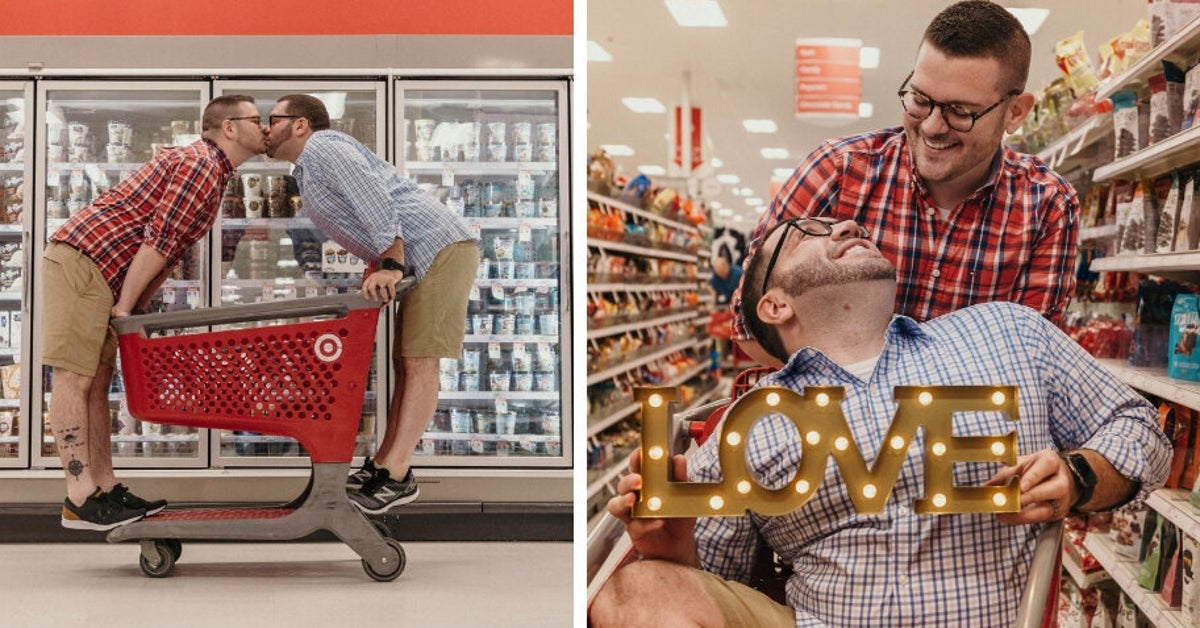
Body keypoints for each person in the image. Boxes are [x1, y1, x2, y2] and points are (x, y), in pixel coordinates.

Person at [591, 217, 1171, 627]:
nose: (848, 227)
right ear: (774, 304)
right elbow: (716, 589)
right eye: (813, 231)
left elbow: (1141, 427)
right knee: (633, 592)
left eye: (851, 226)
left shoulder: (1007, 332)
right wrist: (676, 549)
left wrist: (1080, 475)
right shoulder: (744, 421)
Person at [731, 0, 1080, 368]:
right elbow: (749, 323)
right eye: (920, 99)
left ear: (1016, 112)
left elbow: (1033, 357)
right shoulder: (838, 170)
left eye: (960, 111)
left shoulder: (1047, 205)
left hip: (967, 425)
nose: (931, 126)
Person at [44, 95, 267, 531]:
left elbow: (168, 253)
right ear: (228, 128)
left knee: (98, 382)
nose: (264, 127)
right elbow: (159, 240)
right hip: (84, 260)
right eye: (256, 119)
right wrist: (127, 307)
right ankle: (79, 494)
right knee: (75, 377)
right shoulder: (202, 164)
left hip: (106, 271)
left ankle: (104, 487)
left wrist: (136, 309)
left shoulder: (215, 171)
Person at [264, 94, 479, 514]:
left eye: (273, 119)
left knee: (420, 362)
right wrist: (378, 268)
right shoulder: (307, 168)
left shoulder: (324, 147)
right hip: (422, 256)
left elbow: (374, 201)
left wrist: (390, 262)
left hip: (437, 248)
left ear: (301, 124)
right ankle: (384, 464)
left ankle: (397, 474)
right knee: (406, 362)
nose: (267, 129)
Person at [707, 255, 743, 365]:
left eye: (720, 271)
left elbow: (744, 291)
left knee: (738, 333)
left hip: (738, 309)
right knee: (718, 332)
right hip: (724, 310)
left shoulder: (738, 273)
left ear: (726, 267)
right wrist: (711, 307)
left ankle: (739, 357)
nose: (719, 274)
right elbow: (713, 292)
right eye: (716, 271)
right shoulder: (715, 277)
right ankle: (722, 360)